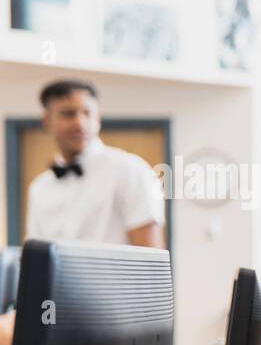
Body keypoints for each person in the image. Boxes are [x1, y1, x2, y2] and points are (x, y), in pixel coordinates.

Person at [25, 80, 165, 249]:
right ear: (47, 120)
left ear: (97, 118)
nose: (80, 123)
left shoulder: (130, 170)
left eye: (87, 113)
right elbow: (36, 255)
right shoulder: (39, 188)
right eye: (68, 114)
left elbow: (151, 260)